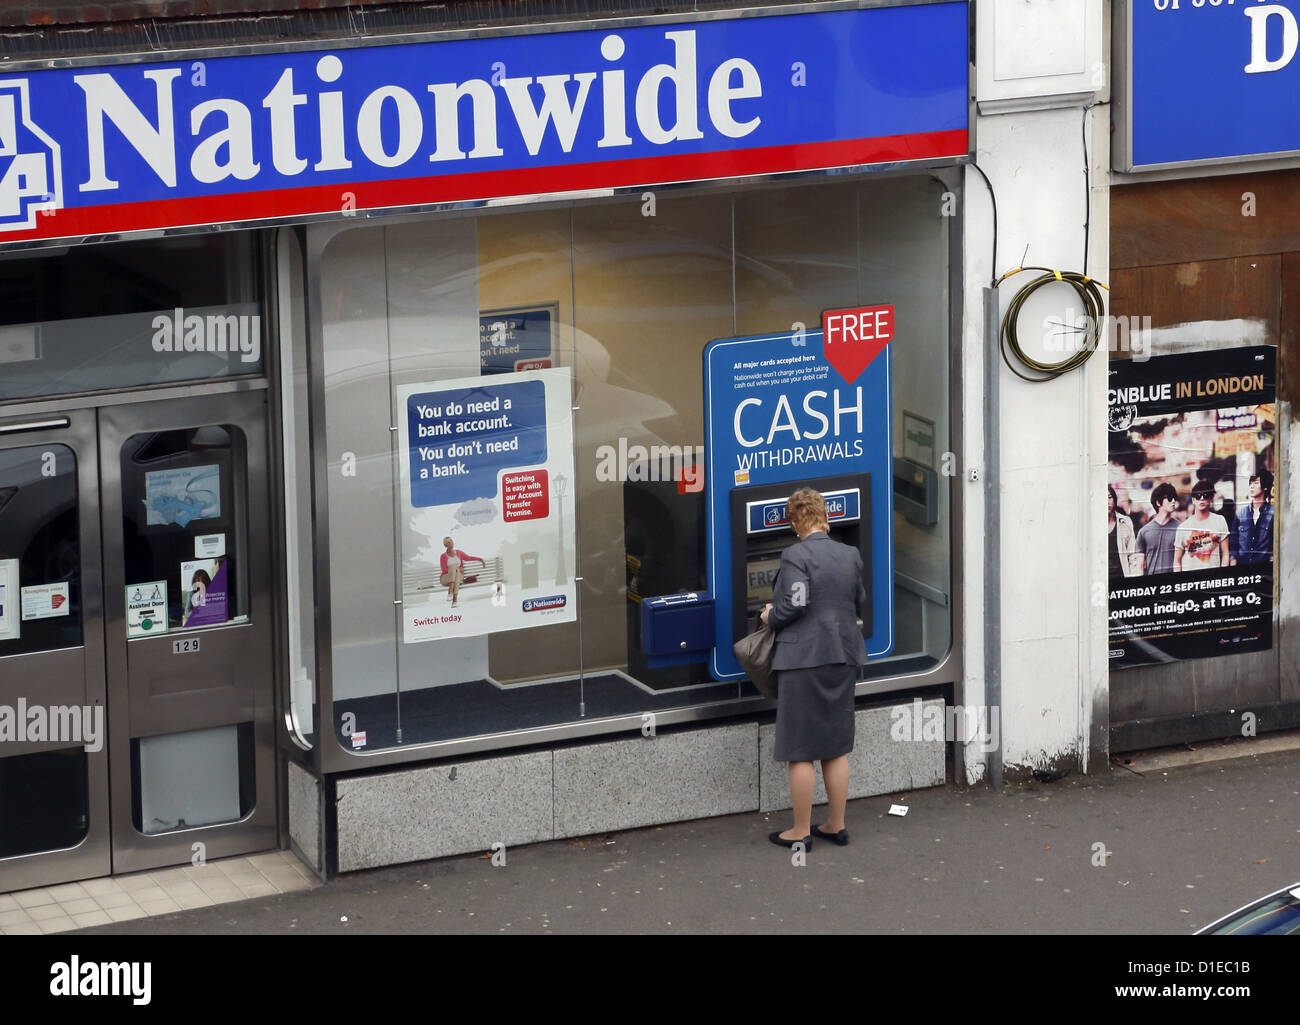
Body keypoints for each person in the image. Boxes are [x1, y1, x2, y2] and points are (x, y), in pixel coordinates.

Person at [760, 487, 868, 851]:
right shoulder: (850, 554)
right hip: (842, 653)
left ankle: (801, 832)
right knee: (835, 746)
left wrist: (769, 616)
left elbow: (794, 605)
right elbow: (858, 601)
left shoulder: (796, 554)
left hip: (803, 657)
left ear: (795, 521)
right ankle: (836, 825)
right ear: (826, 516)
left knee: (800, 747)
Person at [1174, 481, 1230, 571]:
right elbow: (1177, 560)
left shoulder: (1220, 520)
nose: (1202, 498)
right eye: (1198, 496)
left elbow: (1226, 553)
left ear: (1211, 498)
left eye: (1206, 495)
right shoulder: (1183, 527)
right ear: (1193, 500)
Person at [1135, 483, 1179, 575]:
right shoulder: (1144, 532)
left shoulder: (1181, 528)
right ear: (1158, 502)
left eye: (1175, 497)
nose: (1174, 501)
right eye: (1170, 498)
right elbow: (1140, 566)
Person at [1235, 470, 1274, 565]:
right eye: (1250, 483)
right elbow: (1233, 542)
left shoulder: (1273, 513)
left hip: (1263, 568)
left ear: (1265, 487)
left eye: (1256, 483)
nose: (1251, 486)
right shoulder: (1241, 513)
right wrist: (1233, 560)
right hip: (1242, 568)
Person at [439, 537, 484, 608]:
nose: (450, 543)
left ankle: (452, 595)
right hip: (446, 578)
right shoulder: (443, 556)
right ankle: (454, 598)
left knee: (456, 575)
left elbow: (469, 558)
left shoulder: (459, 553)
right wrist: (457, 568)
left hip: (458, 576)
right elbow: (444, 570)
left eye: (451, 541)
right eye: (448, 542)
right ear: (445, 545)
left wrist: (480, 559)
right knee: (454, 568)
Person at [1108, 486, 1139, 578]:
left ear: (1114, 499)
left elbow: (1132, 555)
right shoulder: (1092, 523)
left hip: (1121, 576)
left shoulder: (1125, 521)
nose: (1107, 501)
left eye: (1109, 497)